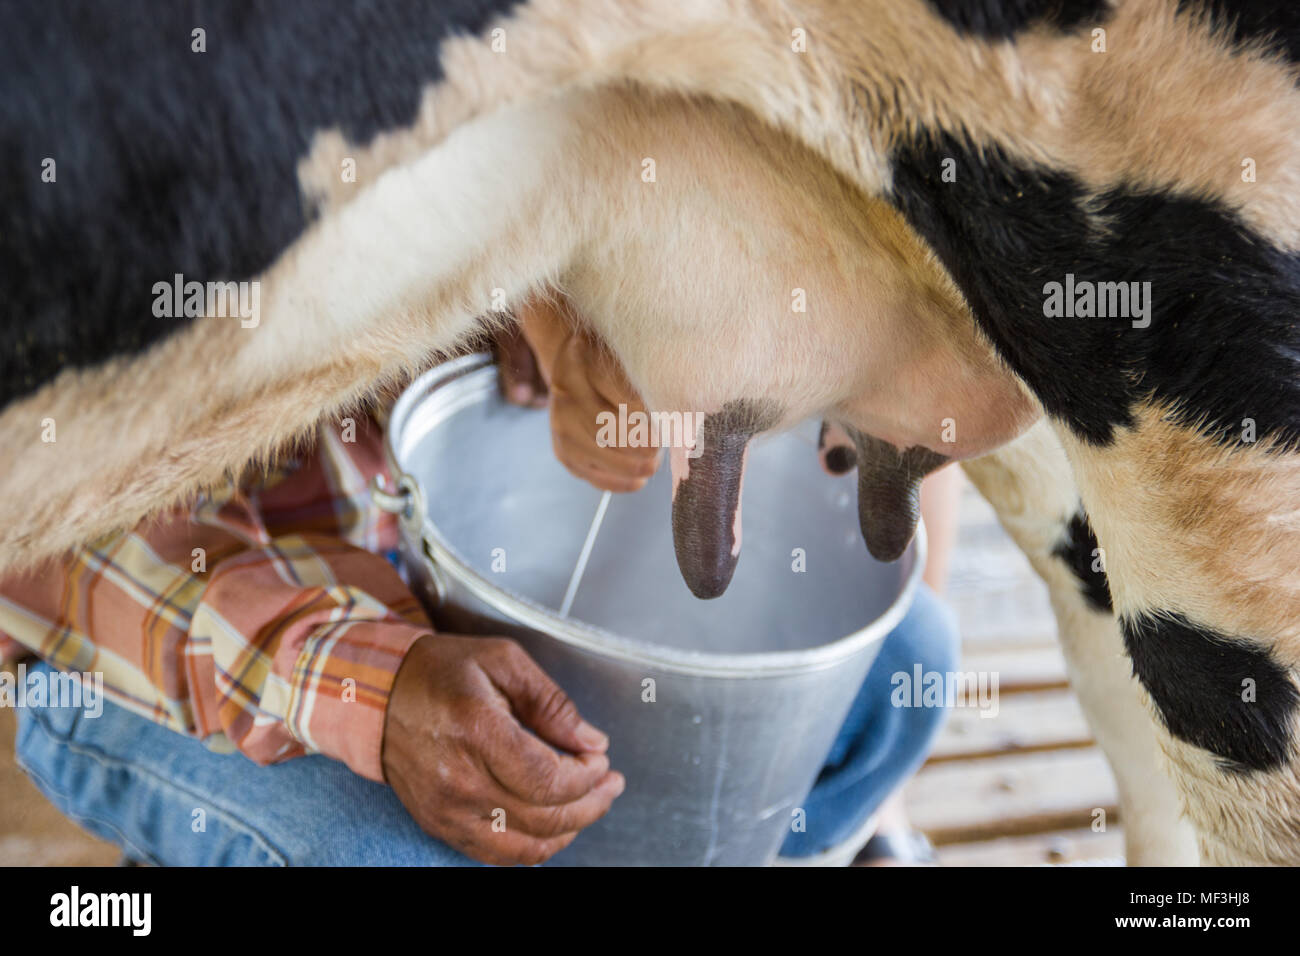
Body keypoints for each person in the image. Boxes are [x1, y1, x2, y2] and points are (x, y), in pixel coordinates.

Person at [1, 295, 960, 866]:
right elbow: (44, 538)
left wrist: (543, 314)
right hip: (113, 634)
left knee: (901, 666)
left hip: (398, 545)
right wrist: (363, 687)